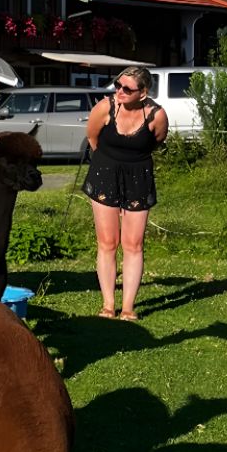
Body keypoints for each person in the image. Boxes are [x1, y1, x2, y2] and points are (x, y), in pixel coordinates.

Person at [82, 65, 168, 321]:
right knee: (107, 242)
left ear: (143, 92)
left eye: (127, 89)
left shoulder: (156, 115)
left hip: (138, 176)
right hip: (104, 172)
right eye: (117, 85)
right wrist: (109, 161)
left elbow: (158, 140)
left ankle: (128, 308)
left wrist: (131, 159)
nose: (119, 91)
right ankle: (108, 305)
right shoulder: (104, 107)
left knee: (134, 243)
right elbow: (92, 137)